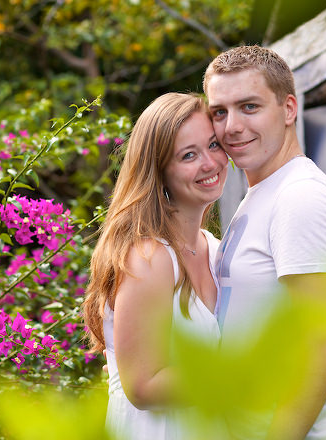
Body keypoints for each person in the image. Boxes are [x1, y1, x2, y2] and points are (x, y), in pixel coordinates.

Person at [204, 45, 326, 440]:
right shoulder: (260, 193)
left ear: (288, 109)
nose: (231, 126)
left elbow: (324, 341)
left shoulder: (300, 197)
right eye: (220, 111)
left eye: (249, 107)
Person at [82, 92, 228, 440]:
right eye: (189, 155)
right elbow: (143, 386)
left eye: (213, 145)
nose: (210, 163)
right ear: (159, 171)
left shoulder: (215, 248)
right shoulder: (150, 257)